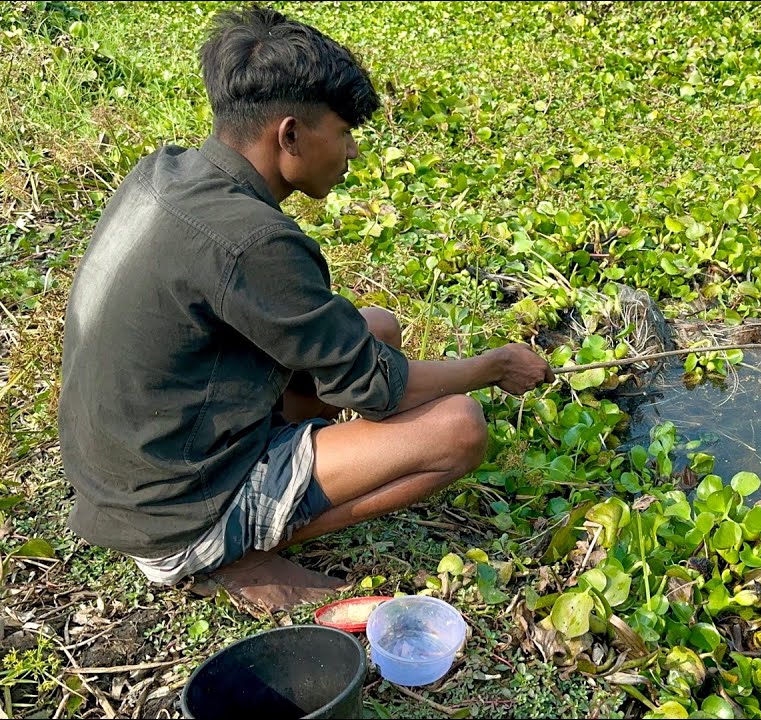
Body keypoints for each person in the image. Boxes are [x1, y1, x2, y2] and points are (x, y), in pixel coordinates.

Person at [56, 6, 554, 612]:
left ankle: (266, 492)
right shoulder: (253, 242)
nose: (349, 153)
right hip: (174, 514)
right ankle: (229, 553)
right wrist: (493, 366)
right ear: (289, 134)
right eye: (343, 133)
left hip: (128, 473)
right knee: (459, 428)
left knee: (380, 327)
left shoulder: (166, 172)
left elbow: (354, 355)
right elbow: (380, 390)